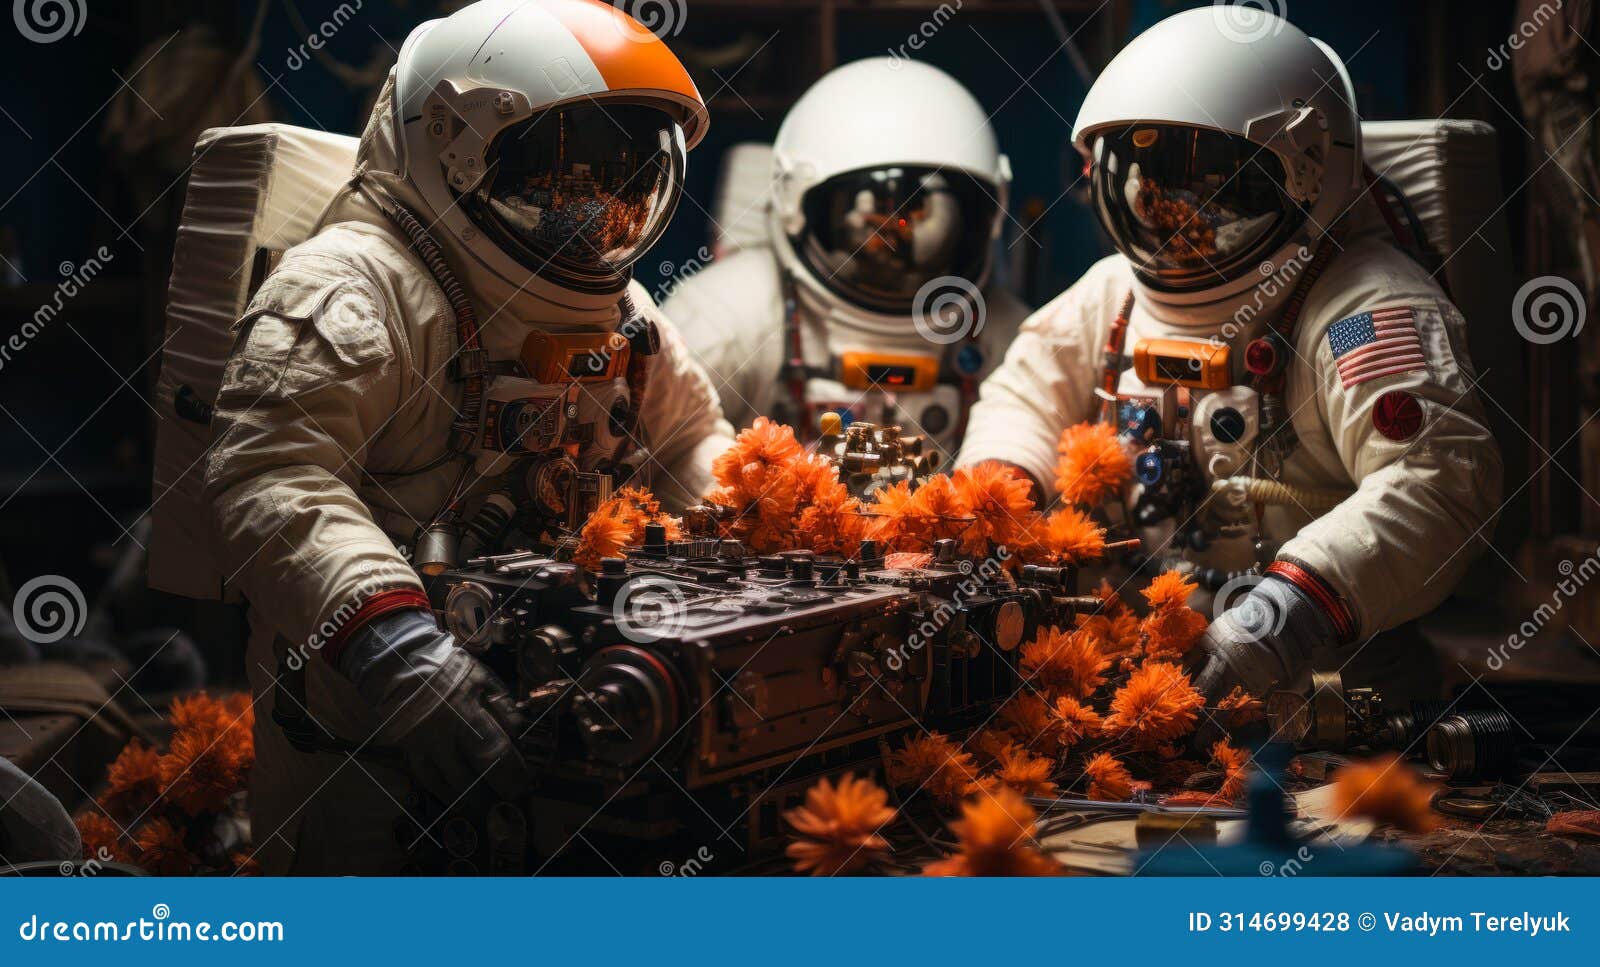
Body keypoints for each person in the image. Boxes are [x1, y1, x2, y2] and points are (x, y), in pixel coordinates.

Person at [202, 0, 733, 873]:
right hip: (370, 743)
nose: (599, 208)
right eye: (570, 176)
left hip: (580, 717)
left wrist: (749, 539)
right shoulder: (358, 290)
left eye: (627, 179)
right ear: (453, 139)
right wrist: (398, 649)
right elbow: (274, 477)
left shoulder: (623, 317)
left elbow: (689, 440)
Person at [957, 8, 1504, 708]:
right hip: (1146, 683)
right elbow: (1022, 395)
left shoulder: (1359, 304)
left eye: (1210, 193)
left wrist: (1289, 609)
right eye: (1147, 185)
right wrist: (1003, 491)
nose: (1176, 222)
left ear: (1306, 171)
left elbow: (1437, 480)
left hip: (1333, 702)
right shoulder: (1113, 295)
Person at [662, 58, 1029, 456]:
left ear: (981, 216)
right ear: (799, 208)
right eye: (873, 212)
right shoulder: (726, 317)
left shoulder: (1013, 339)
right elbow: (669, 453)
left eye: (914, 212)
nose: (892, 229)